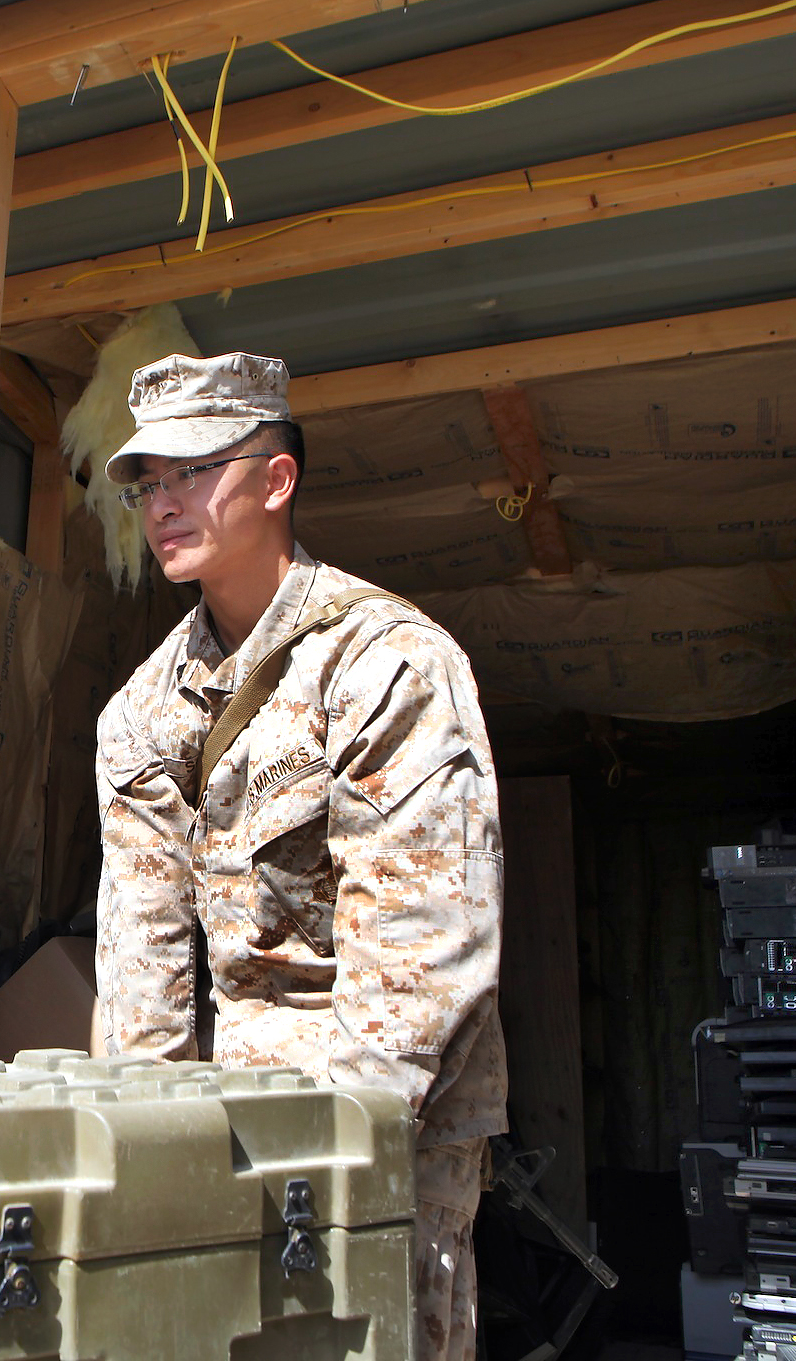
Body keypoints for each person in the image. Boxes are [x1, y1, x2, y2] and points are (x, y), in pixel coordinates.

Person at [93, 352, 505, 1361]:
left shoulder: (387, 664)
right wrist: (149, 1166)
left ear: (275, 480)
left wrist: (335, 1175)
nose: (163, 502)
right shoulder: (141, 714)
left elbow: (420, 954)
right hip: (231, 1119)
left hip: (387, 1125)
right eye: (149, 481)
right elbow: (141, 965)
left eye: (194, 470)